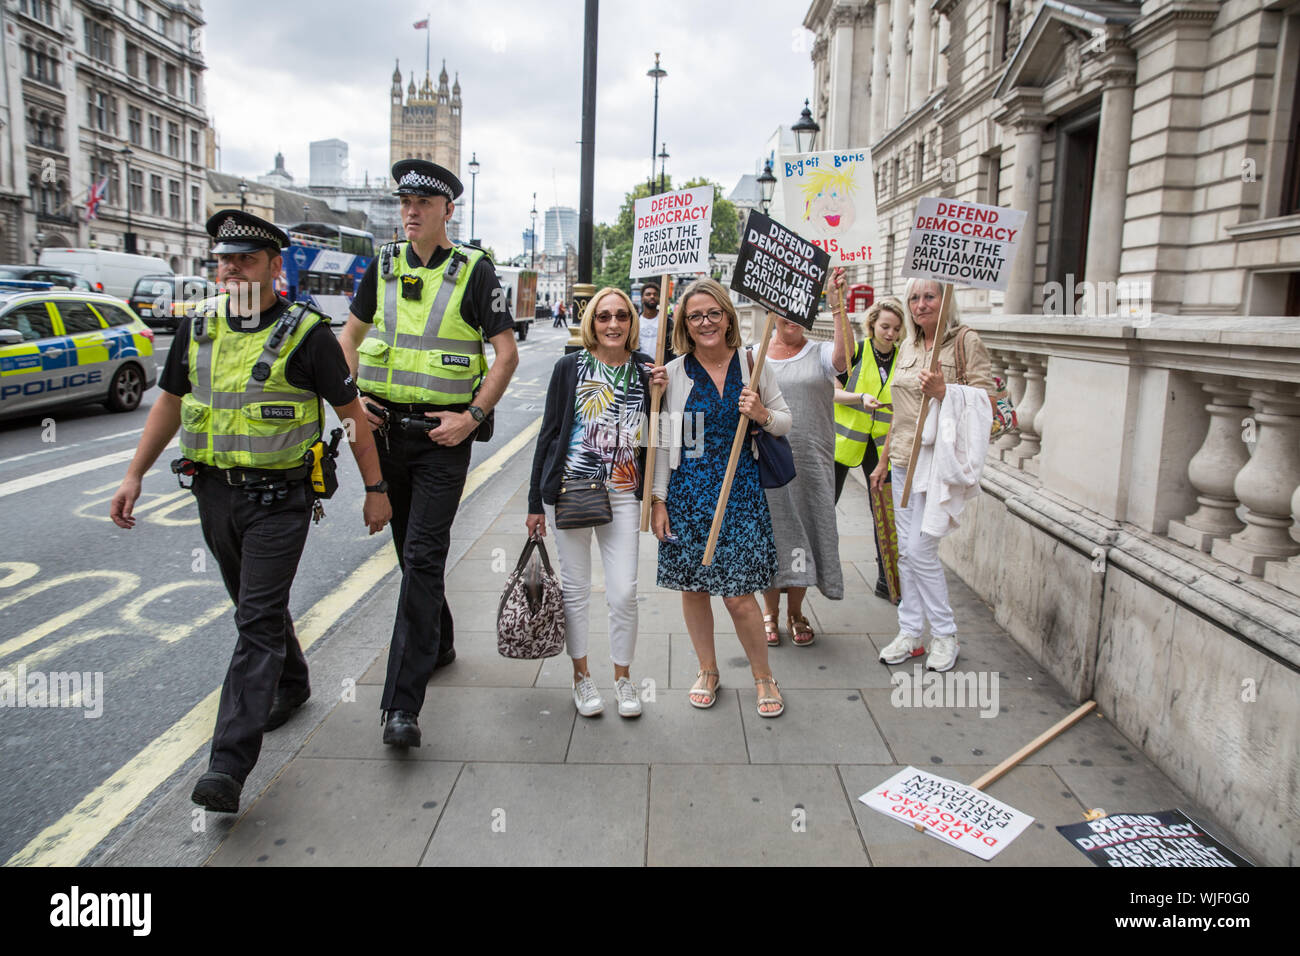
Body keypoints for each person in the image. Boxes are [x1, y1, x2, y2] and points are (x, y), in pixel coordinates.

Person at [109, 210, 391, 813]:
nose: (231, 268)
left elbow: (351, 416)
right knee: (251, 607)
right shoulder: (199, 327)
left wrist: (376, 487)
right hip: (212, 493)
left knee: (255, 621)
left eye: (244, 259)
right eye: (223, 259)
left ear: (270, 267)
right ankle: (291, 681)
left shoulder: (308, 334)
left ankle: (227, 766)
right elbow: (168, 403)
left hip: (280, 499)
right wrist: (133, 474)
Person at [340, 159, 519, 748]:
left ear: (447, 209)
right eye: (404, 203)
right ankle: (438, 640)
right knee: (412, 559)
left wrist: (471, 418)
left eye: (422, 203)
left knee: (420, 557)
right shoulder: (382, 267)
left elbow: (505, 356)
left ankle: (400, 706)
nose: (410, 212)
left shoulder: (475, 271)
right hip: (384, 434)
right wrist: (350, 404)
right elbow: (349, 338)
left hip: (443, 441)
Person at [651, 278, 790, 717]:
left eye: (713, 313)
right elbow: (661, 440)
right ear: (684, 324)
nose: (706, 322)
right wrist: (657, 499)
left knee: (737, 595)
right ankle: (708, 669)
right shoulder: (672, 374)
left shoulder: (753, 362)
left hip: (740, 493)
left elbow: (786, 422)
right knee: (693, 589)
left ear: (728, 316)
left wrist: (762, 414)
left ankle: (763, 676)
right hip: (687, 493)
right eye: (695, 316)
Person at [526, 287, 667, 717]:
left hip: (623, 495)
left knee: (624, 592)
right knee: (576, 590)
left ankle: (623, 679)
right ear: (592, 321)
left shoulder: (648, 370)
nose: (613, 324)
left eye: (621, 316)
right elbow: (549, 434)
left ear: (631, 323)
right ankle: (582, 677)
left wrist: (665, 395)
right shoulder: (569, 367)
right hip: (570, 493)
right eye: (604, 316)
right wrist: (535, 502)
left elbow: (663, 439)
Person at [871, 278, 996, 673]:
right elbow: (900, 410)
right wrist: (883, 460)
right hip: (903, 460)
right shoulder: (908, 343)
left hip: (935, 464)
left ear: (946, 299)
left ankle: (944, 634)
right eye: (914, 298)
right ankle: (911, 633)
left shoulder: (965, 341)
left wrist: (946, 392)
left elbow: (988, 404)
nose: (921, 304)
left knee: (920, 551)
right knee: (906, 555)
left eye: (929, 296)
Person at [760, 268, 849, 647]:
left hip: (810, 464)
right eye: (783, 310)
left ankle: (795, 611)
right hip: (766, 463)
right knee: (772, 535)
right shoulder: (755, 353)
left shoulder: (820, 352)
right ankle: (770, 613)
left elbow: (844, 361)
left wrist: (838, 304)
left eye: (799, 310)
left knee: (804, 535)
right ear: (772, 314)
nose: (791, 318)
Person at [833, 295, 904, 599]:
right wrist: (859, 398)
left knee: (883, 514)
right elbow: (832, 390)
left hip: (881, 447)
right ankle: (806, 570)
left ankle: (887, 579)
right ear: (872, 324)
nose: (890, 333)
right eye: (885, 326)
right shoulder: (856, 352)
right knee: (824, 508)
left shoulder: (904, 358)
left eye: (896, 329)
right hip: (843, 442)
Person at [637, 278, 675, 362]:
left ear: (659, 298)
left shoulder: (667, 322)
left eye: (655, 294)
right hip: (640, 368)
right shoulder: (634, 322)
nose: (652, 296)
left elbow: (673, 348)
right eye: (648, 294)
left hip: (662, 368)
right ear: (642, 298)